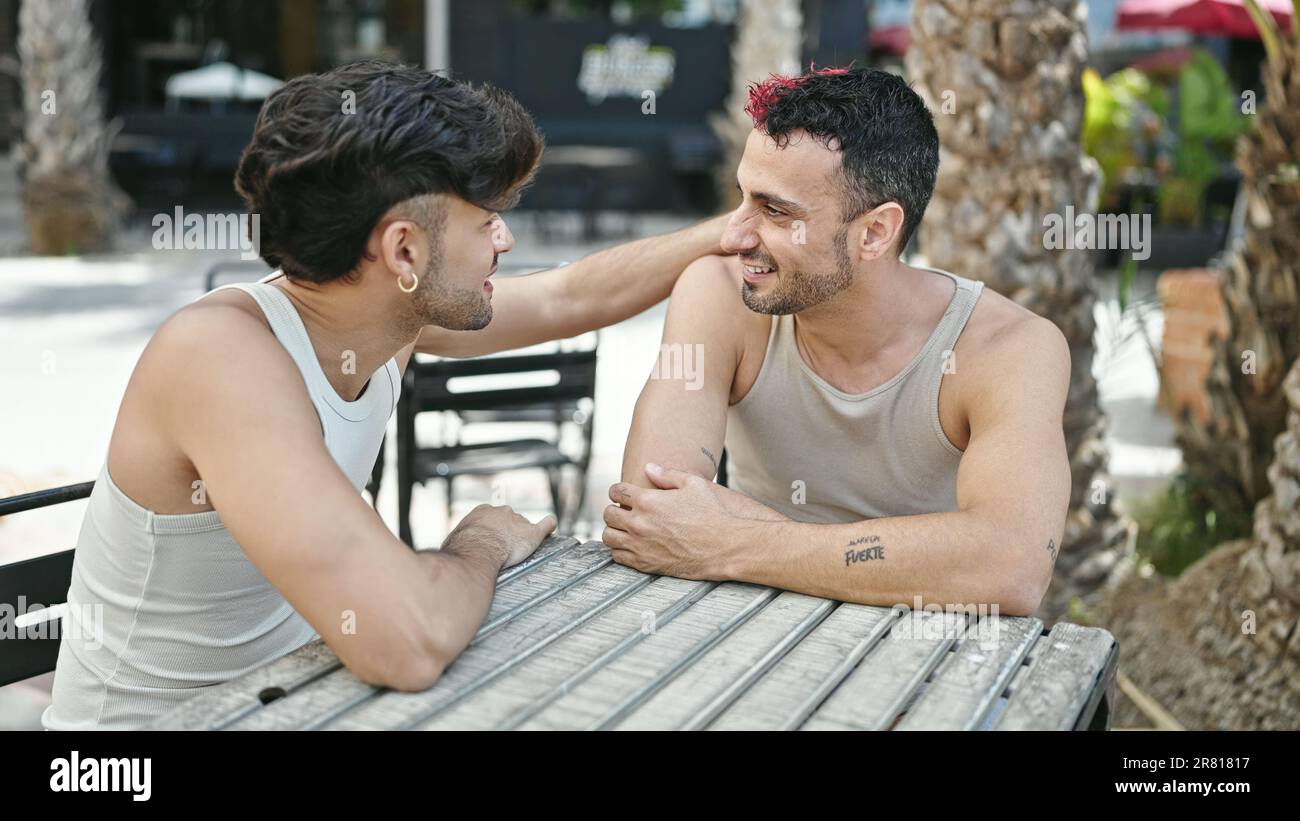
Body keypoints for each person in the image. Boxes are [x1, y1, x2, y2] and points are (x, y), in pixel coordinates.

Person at [42, 60, 727, 729]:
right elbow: (407, 638)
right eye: (487, 217)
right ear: (404, 251)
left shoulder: (384, 320)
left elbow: (570, 293)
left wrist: (729, 232)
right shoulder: (218, 356)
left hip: (304, 700)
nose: (507, 238)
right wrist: (481, 540)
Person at [607, 67, 1070, 617]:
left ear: (874, 233)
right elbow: (651, 514)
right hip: (746, 637)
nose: (733, 237)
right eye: (743, 198)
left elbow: (1010, 567)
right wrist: (917, 560)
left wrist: (730, 541)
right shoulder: (718, 293)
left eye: (775, 211)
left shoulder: (1009, 348)